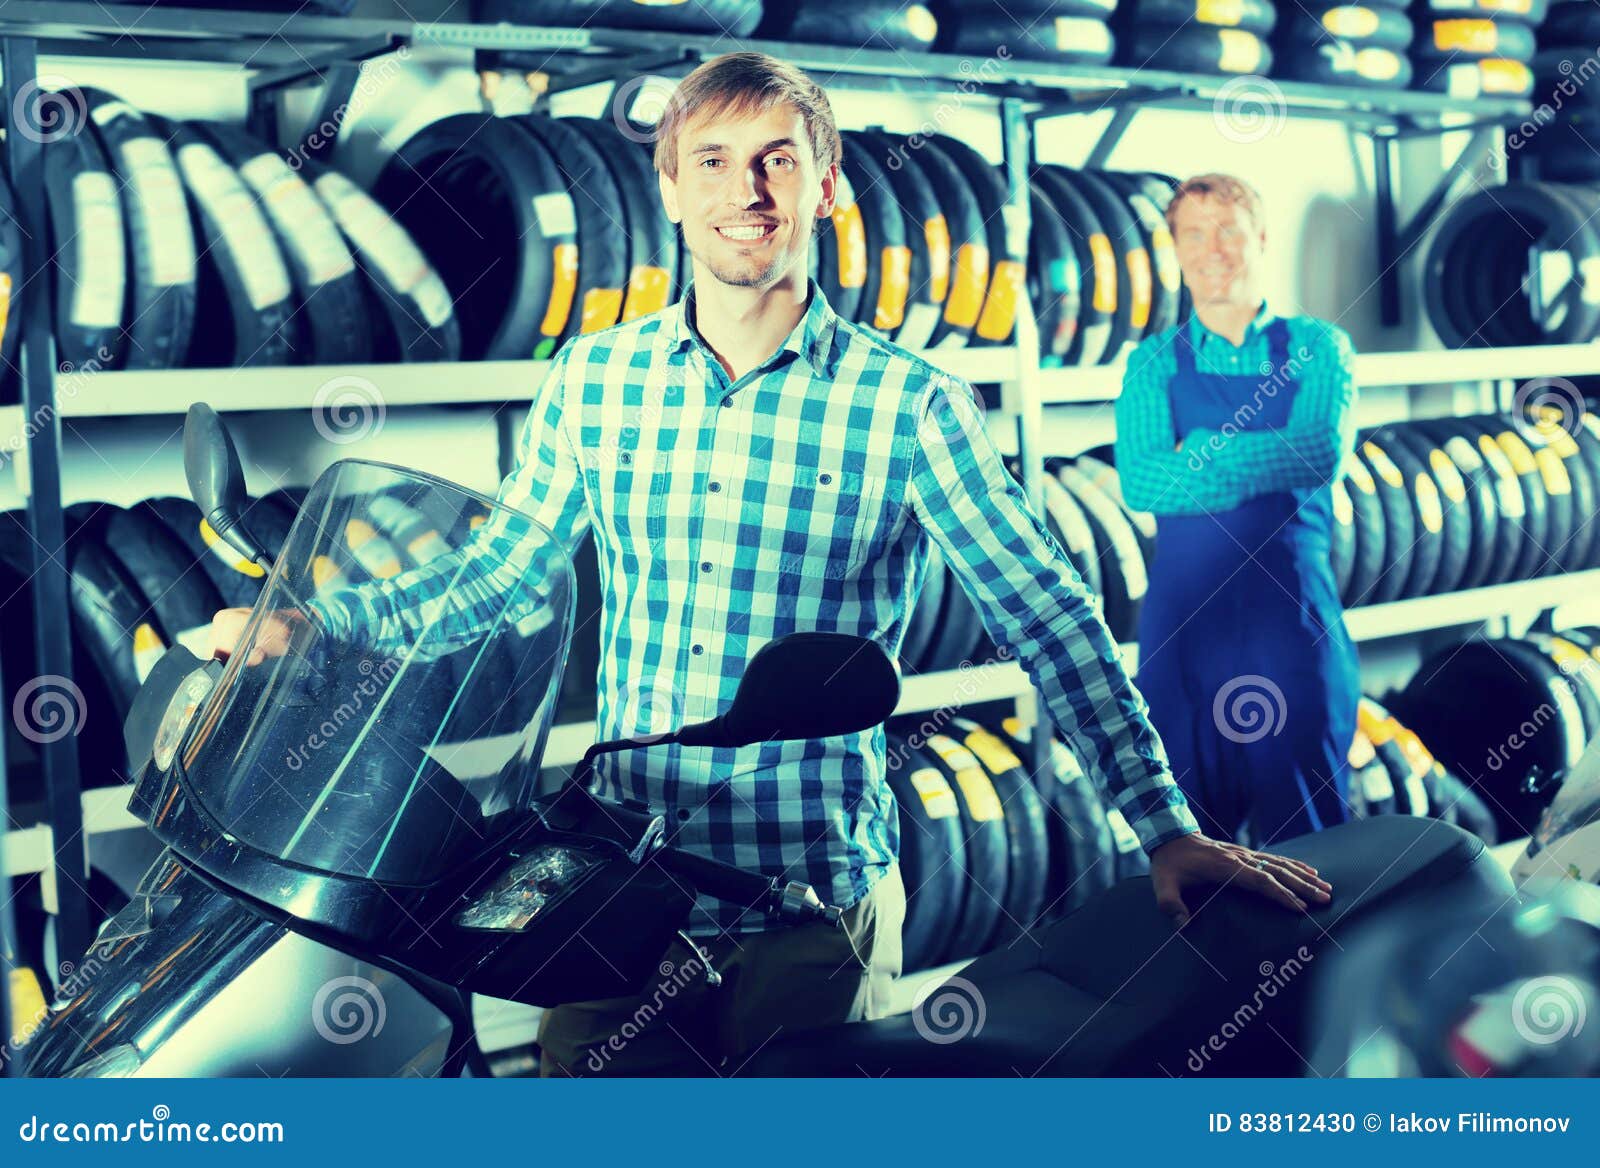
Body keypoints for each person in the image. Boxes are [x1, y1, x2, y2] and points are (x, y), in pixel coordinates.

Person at [210, 59, 1332, 1075]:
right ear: (667, 189)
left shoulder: (909, 404)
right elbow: (497, 575)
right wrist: (318, 626)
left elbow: (1046, 614)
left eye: (776, 161)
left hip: (814, 914)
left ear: (826, 187)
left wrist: (1162, 823)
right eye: (712, 161)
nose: (745, 191)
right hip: (619, 903)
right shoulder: (592, 384)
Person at [1114, 173, 1361, 847]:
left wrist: (1198, 451)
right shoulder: (1153, 360)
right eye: (1193, 233)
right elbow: (1142, 483)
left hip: (1291, 624)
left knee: (1313, 843)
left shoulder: (1317, 347)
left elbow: (1314, 454)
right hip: (1184, 632)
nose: (1212, 248)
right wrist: (1253, 459)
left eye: (1228, 229)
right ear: (1176, 248)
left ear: (1260, 239)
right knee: (1190, 843)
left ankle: (1309, 960)